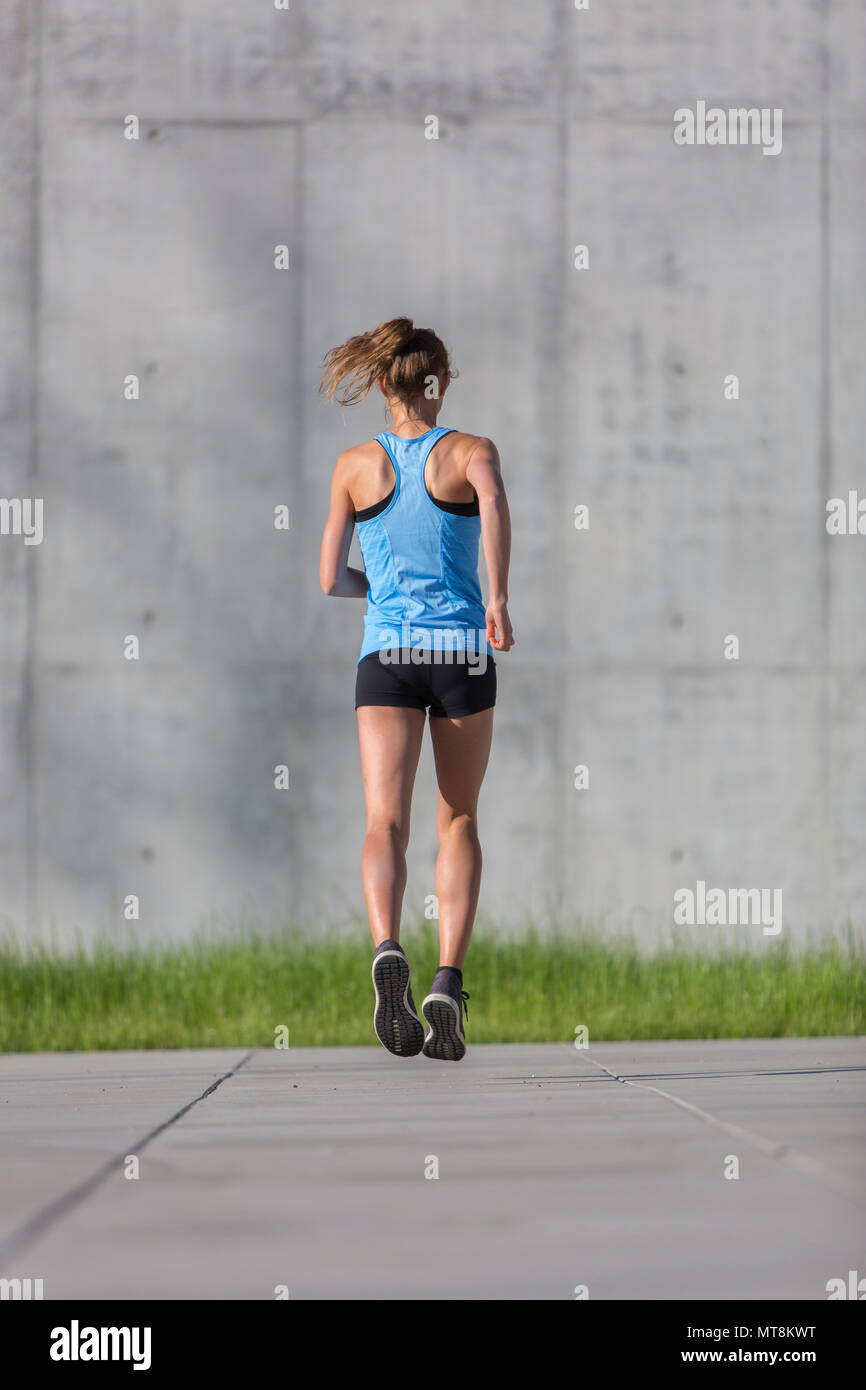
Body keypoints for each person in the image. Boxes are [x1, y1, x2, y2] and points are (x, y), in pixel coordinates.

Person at [318, 317, 513, 1061]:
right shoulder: (471, 452)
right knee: (458, 819)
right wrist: (495, 599)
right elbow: (491, 503)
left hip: (387, 653)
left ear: (379, 383)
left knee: (383, 824)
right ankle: (444, 981)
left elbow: (331, 578)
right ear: (444, 382)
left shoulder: (352, 466)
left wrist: (380, 590)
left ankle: (386, 947)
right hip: (462, 652)